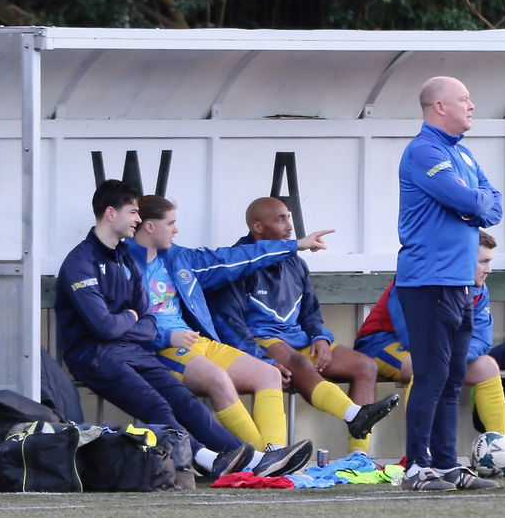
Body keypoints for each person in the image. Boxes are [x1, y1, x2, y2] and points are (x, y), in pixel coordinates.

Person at [55, 180, 310, 478]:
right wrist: (130, 318)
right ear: (111, 214)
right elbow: (102, 327)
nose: (137, 220)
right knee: (157, 405)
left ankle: (252, 459)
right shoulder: (80, 261)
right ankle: (207, 459)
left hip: (131, 349)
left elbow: (147, 324)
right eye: (133, 212)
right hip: (94, 356)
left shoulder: (125, 258)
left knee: (184, 401)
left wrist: (128, 321)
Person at [125, 194, 318, 471]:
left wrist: (295, 246)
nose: (176, 229)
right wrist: (166, 337)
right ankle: (261, 461)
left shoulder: (179, 258)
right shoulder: (123, 265)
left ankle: (274, 452)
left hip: (199, 342)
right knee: (218, 379)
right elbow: (120, 322)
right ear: (150, 227)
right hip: (160, 351)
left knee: (268, 373)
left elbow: (237, 257)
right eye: (171, 223)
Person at [208, 197, 401, 454]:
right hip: (261, 342)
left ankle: (358, 458)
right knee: (298, 363)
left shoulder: (296, 262)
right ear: (257, 226)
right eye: (280, 219)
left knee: (364, 366)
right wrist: (259, 360)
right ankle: (352, 414)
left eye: (288, 217)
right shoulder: (239, 262)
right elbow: (231, 324)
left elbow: (310, 311)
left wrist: (319, 336)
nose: (289, 225)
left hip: (297, 339)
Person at [393, 76, 504, 492]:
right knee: (432, 375)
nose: (472, 106)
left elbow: (491, 202)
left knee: (454, 376)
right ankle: (416, 467)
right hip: (429, 282)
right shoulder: (424, 150)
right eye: (465, 99)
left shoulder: (465, 154)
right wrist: (473, 204)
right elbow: (471, 202)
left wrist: (474, 203)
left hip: (459, 283)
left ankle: (445, 463)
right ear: (439, 106)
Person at [353, 232, 505, 476]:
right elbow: (410, 335)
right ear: (460, 259)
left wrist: (452, 356)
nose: (489, 269)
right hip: (381, 343)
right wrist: (446, 355)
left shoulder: (480, 289)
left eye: (490, 261)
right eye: (483, 262)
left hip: (442, 350)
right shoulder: (421, 281)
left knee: (487, 366)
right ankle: (415, 455)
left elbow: (481, 339)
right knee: (422, 365)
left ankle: (503, 454)